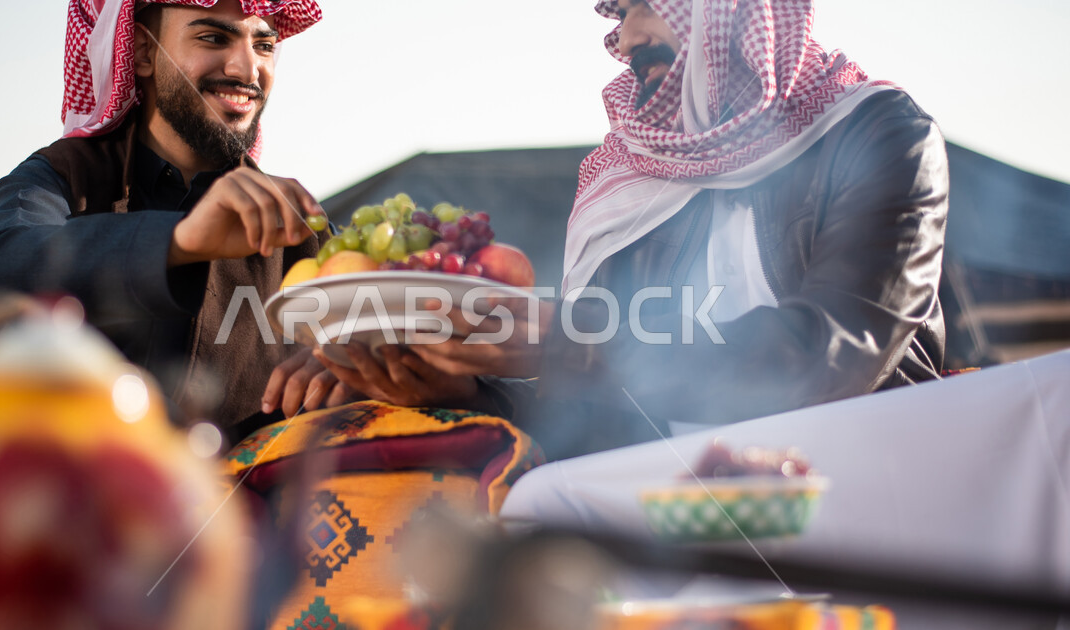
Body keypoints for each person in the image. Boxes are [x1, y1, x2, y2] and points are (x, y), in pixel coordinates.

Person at [315, 0, 949, 459]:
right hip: (663, 523)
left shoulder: (876, 134)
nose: (626, 39)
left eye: (645, 5)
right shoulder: (627, 183)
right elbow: (591, 418)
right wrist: (463, 392)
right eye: (618, 14)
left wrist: (570, 344)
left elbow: (827, 356)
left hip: (862, 503)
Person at [0, 0, 351, 439]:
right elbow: (9, 262)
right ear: (141, 51)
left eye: (264, 46)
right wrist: (179, 241)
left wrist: (354, 359)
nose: (248, 70)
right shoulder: (61, 177)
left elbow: (380, 318)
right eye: (213, 38)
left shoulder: (295, 221)